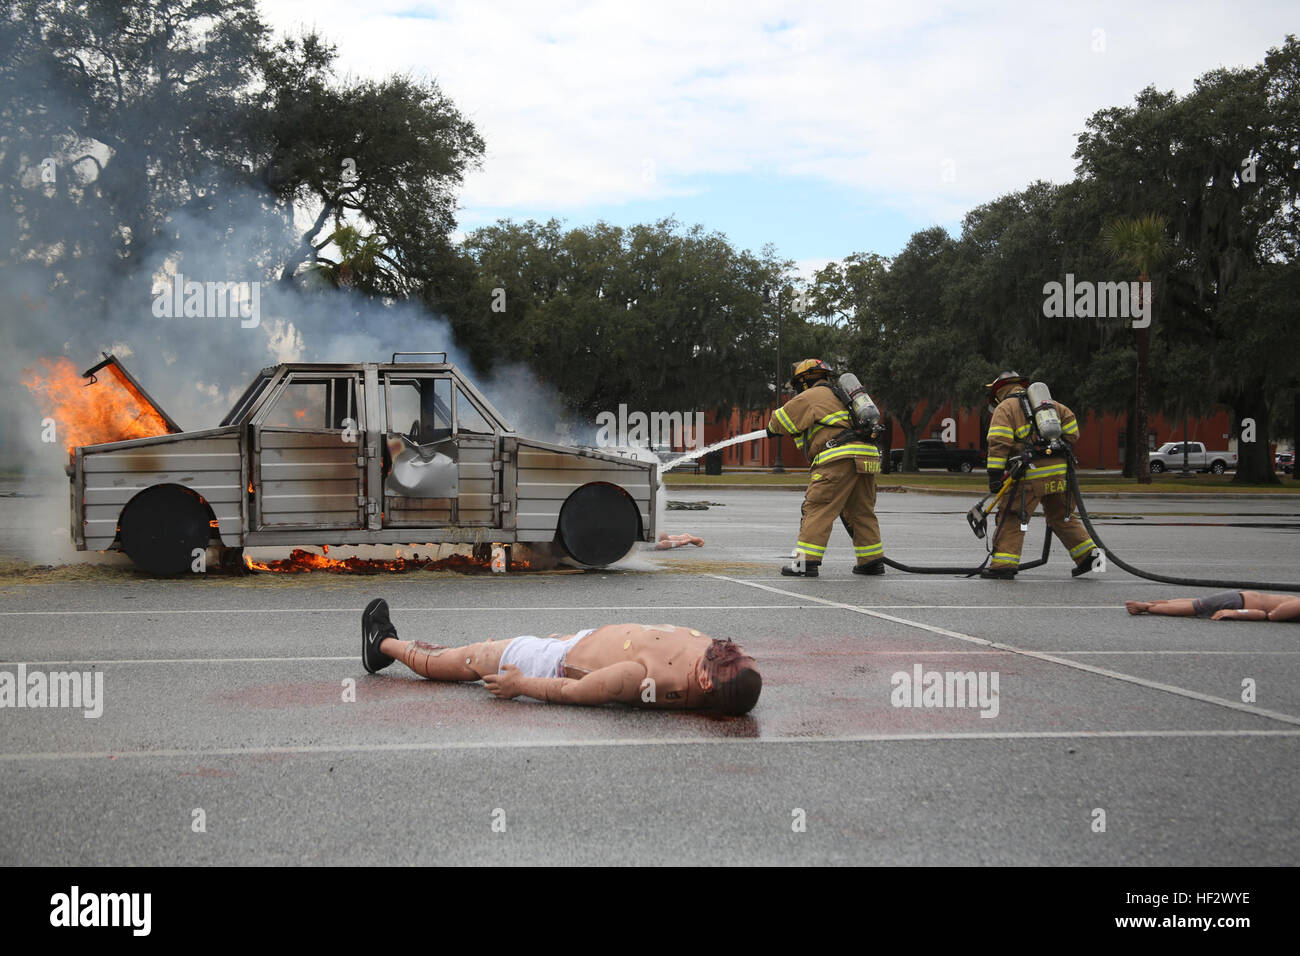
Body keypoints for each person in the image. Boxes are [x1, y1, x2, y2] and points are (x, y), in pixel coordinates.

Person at [359, 599, 762, 714]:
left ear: (707, 683)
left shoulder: (645, 680)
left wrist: (520, 685)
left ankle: (382, 645)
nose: (720, 649)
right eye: (728, 652)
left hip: (549, 661)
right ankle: (385, 645)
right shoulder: (720, 660)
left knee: (464, 660)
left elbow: (575, 690)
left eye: (719, 659)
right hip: (581, 642)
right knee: (469, 656)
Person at [766, 358, 884, 577]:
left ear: (804, 381)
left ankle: (805, 563)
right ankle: (872, 562)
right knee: (861, 512)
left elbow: (778, 420)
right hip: (865, 457)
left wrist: (771, 428)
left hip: (837, 458)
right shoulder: (844, 396)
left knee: (817, 508)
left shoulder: (811, 396)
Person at [980, 371, 1097, 580]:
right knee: (1063, 517)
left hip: (1029, 475)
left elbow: (998, 443)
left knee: (1013, 516)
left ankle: (1003, 565)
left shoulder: (1005, 408)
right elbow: (1072, 434)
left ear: (999, 391)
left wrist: (994, 476)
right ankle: (1092, 559)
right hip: (1059, 474)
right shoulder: (1051, 405)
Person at [1126, 591, 1300, 621]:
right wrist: (1238, 613)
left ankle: (1151, 604)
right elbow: (1271, 615)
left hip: (1240, 597)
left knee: (1194, 602)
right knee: (1194, 607)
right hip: (1239, 602)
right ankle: (1145, 607)